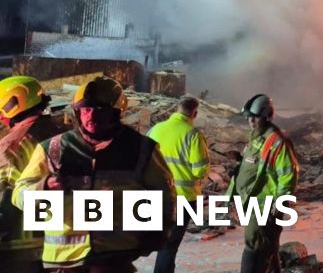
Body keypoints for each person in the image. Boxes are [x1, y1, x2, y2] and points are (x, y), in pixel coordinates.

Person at [14, 76, 174, 272]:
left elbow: (164, 197)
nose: (91, 116)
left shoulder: (141, 149)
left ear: (116, 113)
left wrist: (155, 237)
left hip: (115, 261)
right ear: (77, 112)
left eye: (101, 111)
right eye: (86, 110)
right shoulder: (52, 148)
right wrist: (43, 187)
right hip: (61, 262)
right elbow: (19, 194)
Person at [228, 94, 299, 273]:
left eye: (255, 117)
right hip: (254, 204)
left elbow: (288, 175)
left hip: (265, 207)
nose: (251, 121)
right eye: (248, 117)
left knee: (256, 247)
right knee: (268, 247)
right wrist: (240, 163)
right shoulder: (257, 137)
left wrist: (280, 203)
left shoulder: (277, 142)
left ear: (267, 116)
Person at [0, 76, 63, 272]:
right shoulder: (64, 135)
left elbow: (3, 199)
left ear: (13, 104)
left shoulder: (11, 146)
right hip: (61, 245)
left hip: (20, 248)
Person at [147, 95, 210, 273]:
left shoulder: (155, 129)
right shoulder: (193, 135)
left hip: (154, 196)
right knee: (169, 246)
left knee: (158, 243)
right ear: (194, 113)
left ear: (176, 109)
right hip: (182, 198)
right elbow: (200, 171)